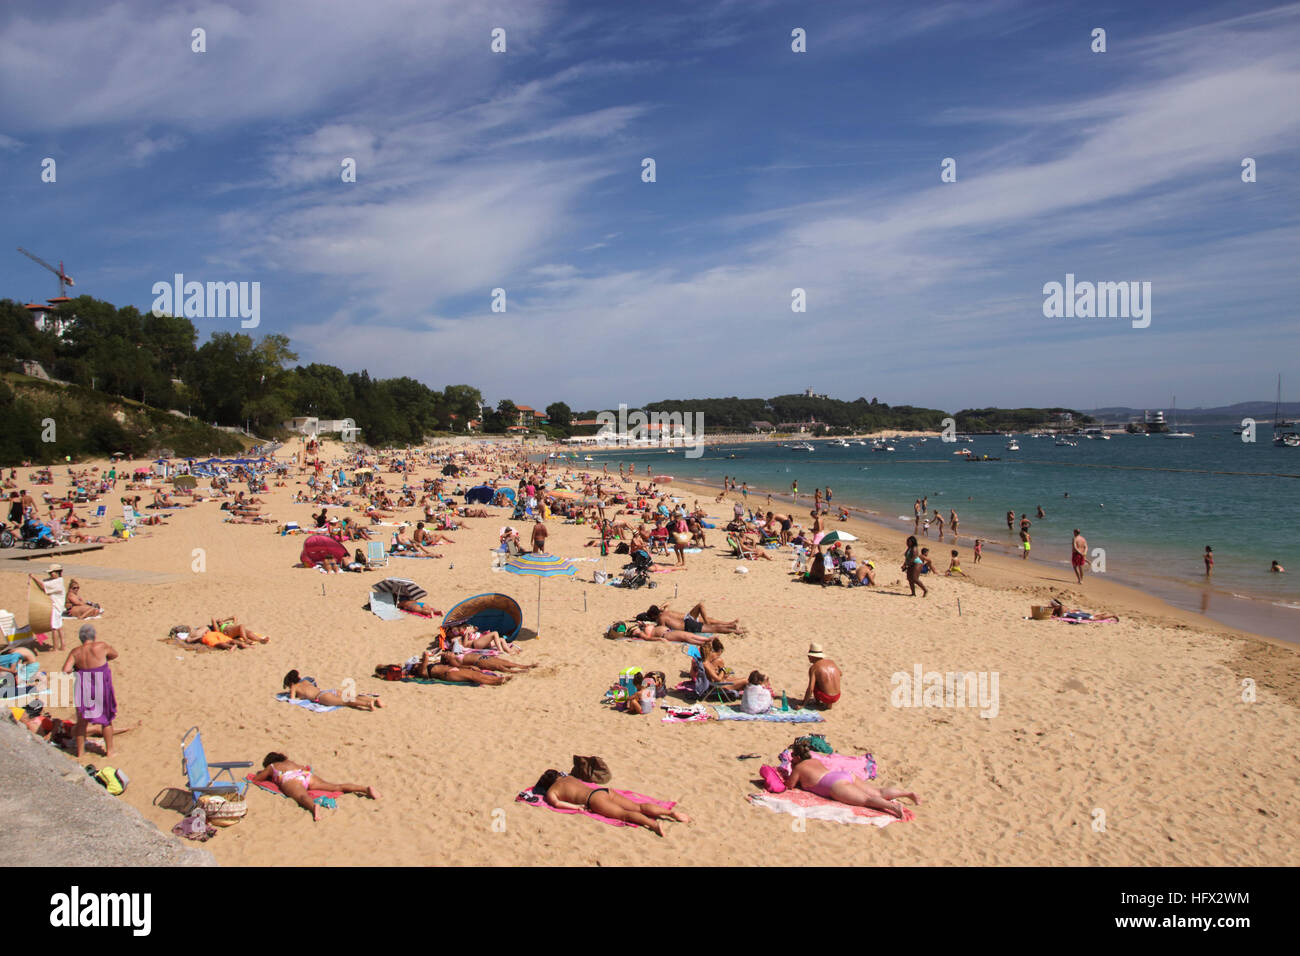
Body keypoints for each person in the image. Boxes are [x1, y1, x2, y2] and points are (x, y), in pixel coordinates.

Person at [533, 769, 690, 836]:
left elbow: (557, 804)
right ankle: (670, 813)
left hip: (593, 800)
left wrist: (577, 807)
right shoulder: (569, 777)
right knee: (639, 806)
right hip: (604, 791)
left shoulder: (551, 791)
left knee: (626, 815)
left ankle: (654, 825)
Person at [784, 741, 919, 817]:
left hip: (832, 784)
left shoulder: (798, 768)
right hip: (843, 775)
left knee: (866, 800)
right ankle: (907, 794)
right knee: (878, 792)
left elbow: (789, 785)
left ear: (798, 757)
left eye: (792, 757)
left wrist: (790, 770)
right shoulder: (815, 761)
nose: (791, 759)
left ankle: (893, 808)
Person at [252, 752, 380, 821]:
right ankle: (364, 789)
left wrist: (267, 775)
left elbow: (258, 779)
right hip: (305, 775)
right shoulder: (289, 762)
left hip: (290, 778)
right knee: (336, 787)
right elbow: (304, 767)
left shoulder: (272, 767)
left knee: (302, 796)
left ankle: (314, 807)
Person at [61, 623, 118, 758]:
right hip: (100, 683)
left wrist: (77, 668)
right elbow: (115, 654)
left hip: (83, 684)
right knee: (106, 719)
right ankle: (110, 751)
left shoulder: (76, 652)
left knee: (82, 721)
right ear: (94, 635)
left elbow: (66, 670)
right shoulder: (100, 646)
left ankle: (80, 752)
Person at [283, 670, 382, 710]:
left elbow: (293, 700)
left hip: (321, 697)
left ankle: (368, 704)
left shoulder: (294, 687)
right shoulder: (306, 682)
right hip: (327, 691)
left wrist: (293, 696)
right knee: (351, 697)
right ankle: (371, 700)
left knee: (346, 701)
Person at [645, 602, 744, 635]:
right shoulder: (665, 613)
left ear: (654, 616)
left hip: (688, 625)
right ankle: (732, 626)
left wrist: (651, 628)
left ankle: (735, 630)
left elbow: (663, 631)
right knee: (712, 624)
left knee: (714, 628)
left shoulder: (662, 618)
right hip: (687, 622)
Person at [31, 564, 66, 650]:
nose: (50, 575)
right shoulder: (58, 580)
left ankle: (55, 648)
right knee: (59, 627)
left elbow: (43, 587)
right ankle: (62, 646)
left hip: (55, 607)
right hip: (57, 606)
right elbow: (44, 583)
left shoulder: (58, 582)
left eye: (52, 573)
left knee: (54, 628)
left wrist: (33, 578)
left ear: (57, 573)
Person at [796, 643, 841, 709]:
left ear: (813, 656)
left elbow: (811, 688)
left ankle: (818, 702)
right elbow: (840, 673)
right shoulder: (832, 662)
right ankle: (829, 704)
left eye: (809, 656)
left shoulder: (814, 668)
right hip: (837, 696)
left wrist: (803, 704)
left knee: (815, 683)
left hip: (826, 697)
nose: (808, 658)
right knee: (824, 680)